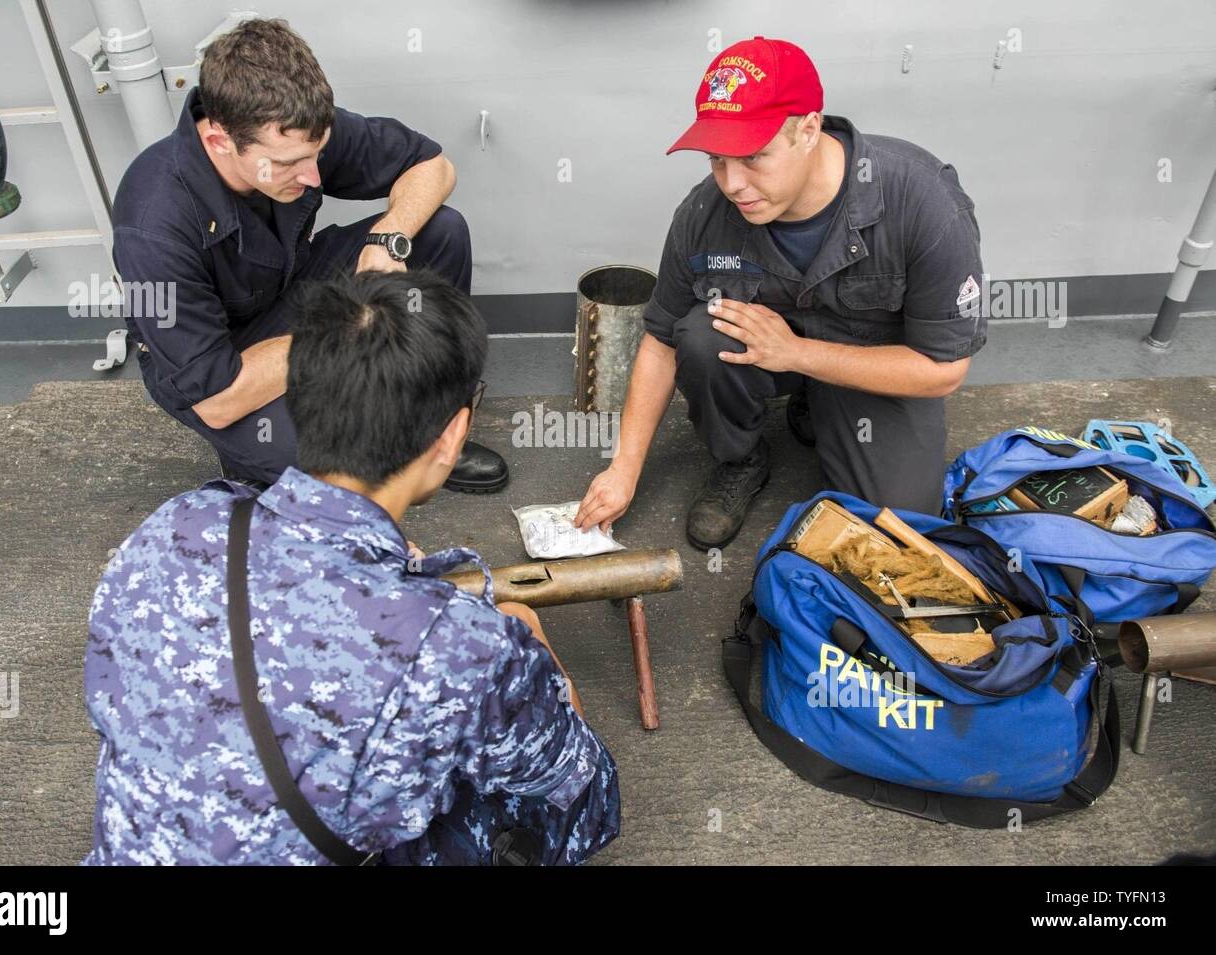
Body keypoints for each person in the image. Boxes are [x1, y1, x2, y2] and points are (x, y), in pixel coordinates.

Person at [84, 269, 619, 865]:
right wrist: (541, 666)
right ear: (453, 435)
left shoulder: (178, 524)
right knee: (565, 789)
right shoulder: (463, 646)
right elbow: (577, 780)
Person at [576, 37, 986, 549]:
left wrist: (797, 354)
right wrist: (624, 469)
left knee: (892, 530)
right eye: (716, 160)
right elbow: (661, 341)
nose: (733, 183)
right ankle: (740, 459)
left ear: (809, 129)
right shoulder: (703, 214)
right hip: (775, 353)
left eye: (753, 157)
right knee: (701, 336)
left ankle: (819, 405)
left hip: (872, 365)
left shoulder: (922, 202)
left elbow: (943, 368)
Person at [113, 17, 507, 492]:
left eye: (315, 153)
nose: (313, 176)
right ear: (220, 140)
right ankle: (256, 458)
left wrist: (388, 237)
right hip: (220, 364)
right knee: (333, 460)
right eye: (287, 165)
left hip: (289, 289)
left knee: (440, 232)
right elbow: (217, 396)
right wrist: (350, 320)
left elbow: (433, 166)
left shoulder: (295, 127)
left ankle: (427, 431)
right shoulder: (153, 222)